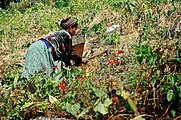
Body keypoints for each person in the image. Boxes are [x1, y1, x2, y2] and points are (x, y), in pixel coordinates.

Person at [22, 17, 87, 79]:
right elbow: (70, 53)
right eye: (75, 29)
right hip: (43, 49)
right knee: (43, 73)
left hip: (34, 46)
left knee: (31, 71)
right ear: (70, 28)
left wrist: (69, 67)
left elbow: (65, 56)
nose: (75, 31)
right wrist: (80, 60)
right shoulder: (66, 35)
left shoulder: (58, 34)